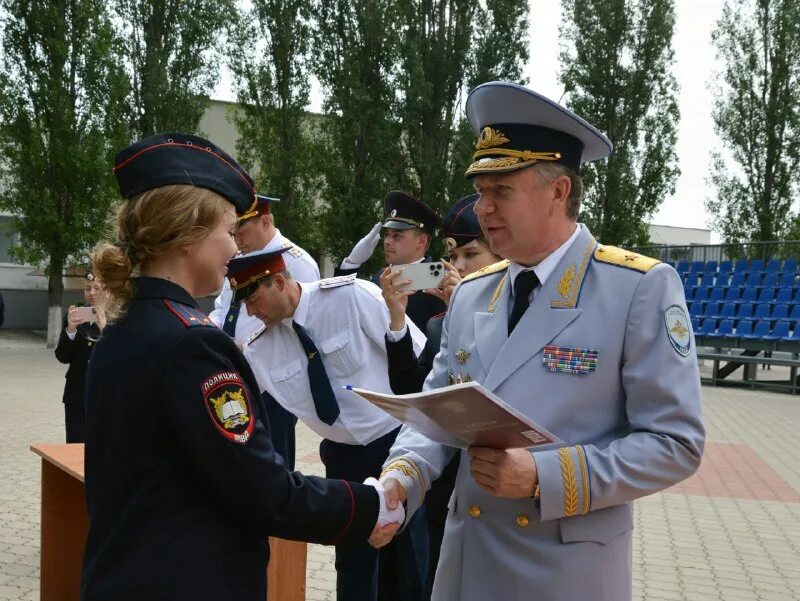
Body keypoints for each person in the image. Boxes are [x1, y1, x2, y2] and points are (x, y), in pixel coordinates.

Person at [377, 82, 705, 601]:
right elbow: (437, 415)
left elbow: (675, 443)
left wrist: (544, 475)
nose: (482, 209)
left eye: (500, 191)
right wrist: (400, 480)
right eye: (480, 191)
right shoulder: (474, 294)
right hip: (469, 560)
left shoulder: (637, 288)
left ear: (558, 191)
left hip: (563, 570)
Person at [82, 133, 401, 601]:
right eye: (229, 233)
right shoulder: (193, 344)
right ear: (189, 233)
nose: (236, 251)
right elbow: (263, 492)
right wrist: (370, 506)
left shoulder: (122, 331)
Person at [232, 249, 427, 601]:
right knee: (352, 564)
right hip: (342, 460)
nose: (250, 312)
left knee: (410, 557)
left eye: (253, 299)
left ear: (279, 281)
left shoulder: (350, 297)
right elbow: (240, 403)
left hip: (397, 445)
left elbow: (416, 358)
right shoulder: (260, 349)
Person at [380, 192, 501, 601]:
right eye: (456, 256)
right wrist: (399, 318)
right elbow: (413, 393)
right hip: (442, 486)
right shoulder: (437, 323)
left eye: (472, 254)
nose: (461, 267)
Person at [209, 193, 319, 469]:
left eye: (241, 231)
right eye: (232, 233)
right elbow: (223, 307)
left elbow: (304, 326)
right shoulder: (239, 259)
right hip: (235, 374)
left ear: (266, 221)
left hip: (273, 382)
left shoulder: (297, 262)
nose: (236, 241)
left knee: (274, 463)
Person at [335, 190, 446, 332]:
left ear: (421, 240)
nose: (387, 241)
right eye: (387, 235)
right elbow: (343, 309)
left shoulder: (437, 282)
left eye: (397, 236)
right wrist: (351, 264)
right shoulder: (381, 276)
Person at [54, 270, 108, 443]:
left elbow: (123, 357)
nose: (91, 293)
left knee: (101, 448)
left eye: (96, 288)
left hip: (104, 397)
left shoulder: (118, 317)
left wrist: (106, 330)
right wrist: (70, 329)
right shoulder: (76, 316)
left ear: (107, 290)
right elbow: (62, 357)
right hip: (76, 396)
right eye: (87, 288)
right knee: (75, 447)